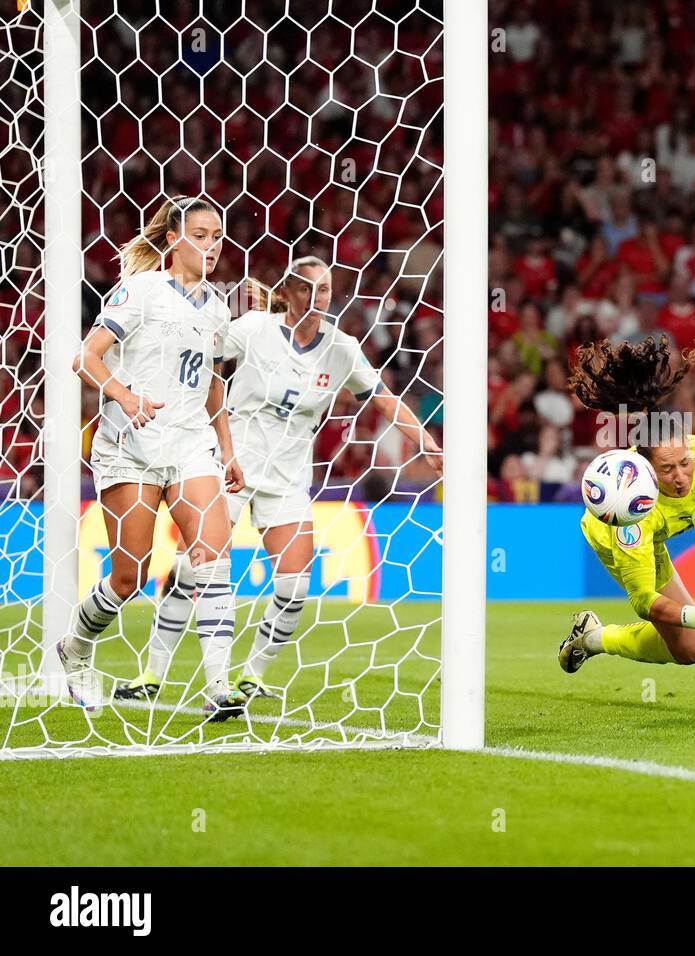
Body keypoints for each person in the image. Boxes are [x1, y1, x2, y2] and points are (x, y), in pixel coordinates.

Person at [116, 256, 443, 703]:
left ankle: (252, 676)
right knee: (189, 570)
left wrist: (427, 443)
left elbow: (385, 400)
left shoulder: (341, 347)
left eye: (324, 289)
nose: (316, 298)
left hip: (288, 477)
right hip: (228, 467)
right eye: (306, 288)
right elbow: (203, 354)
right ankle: (150, 677)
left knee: (293, 587)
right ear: (287, 292)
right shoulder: (254, 328)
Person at [63, 196, 247, 720]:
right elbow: (86, 356)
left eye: (217, 236)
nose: (212, 246)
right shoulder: (140, 291)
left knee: (213, 557)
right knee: (130, 576)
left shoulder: (217, 306)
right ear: (172, 239)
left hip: (191, 443)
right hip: (132, 445)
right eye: (201, 235)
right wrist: (124, 396)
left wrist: (227, 450)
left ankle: (219, 686)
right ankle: (75, 647)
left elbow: (211, 381)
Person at [557, 336, 695, 674]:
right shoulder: (628, 512)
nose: (681, 476)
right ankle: (591, 639)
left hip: (670, 524)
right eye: (667, 469)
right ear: (648, 468)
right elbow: (644, 602)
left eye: (684, 461)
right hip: (614, 535)